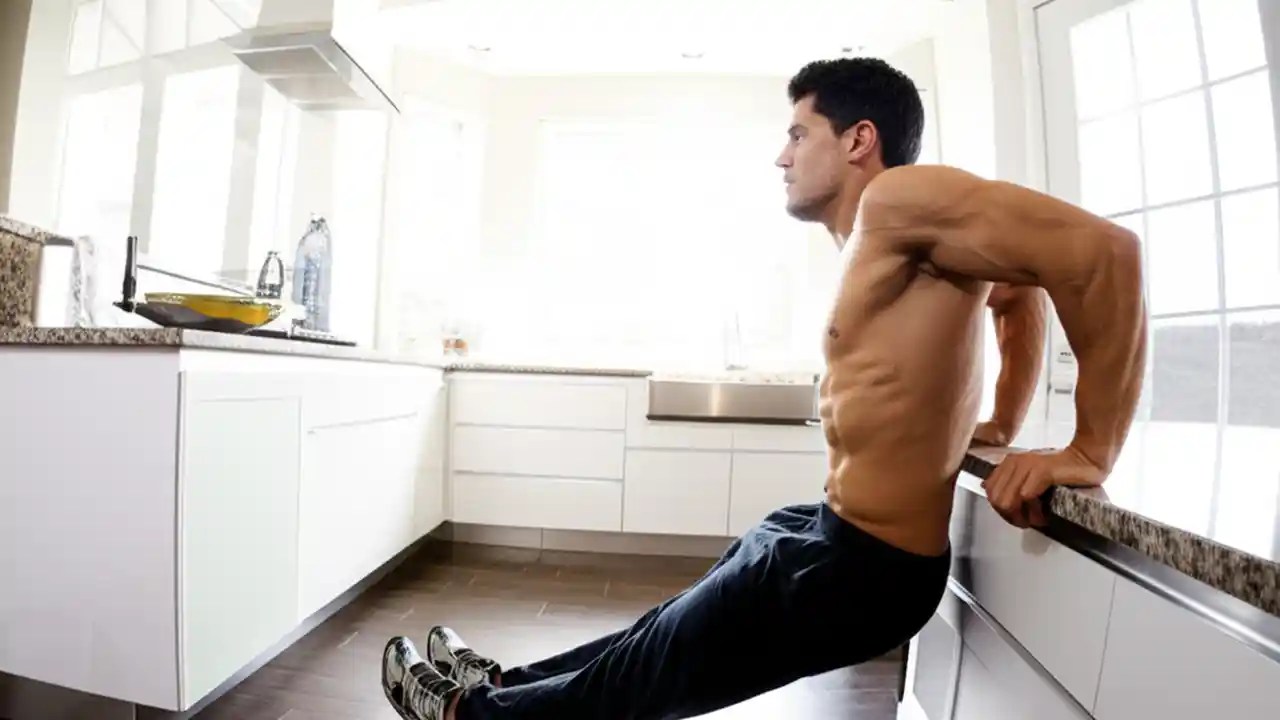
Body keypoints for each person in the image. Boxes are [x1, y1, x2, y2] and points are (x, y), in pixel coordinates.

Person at [380, 56, 1149, 720]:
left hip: (869, 571)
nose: (781, 157)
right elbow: (1016, 298)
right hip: (830, 531)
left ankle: (468, 714)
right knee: (664, 632)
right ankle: (508, 687)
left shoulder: (901, 199)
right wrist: (999, 418)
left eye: (797, 133)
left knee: (659, 671)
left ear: (858, 140)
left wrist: (1090, 447)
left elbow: (1101, 254)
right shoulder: (880, 238)